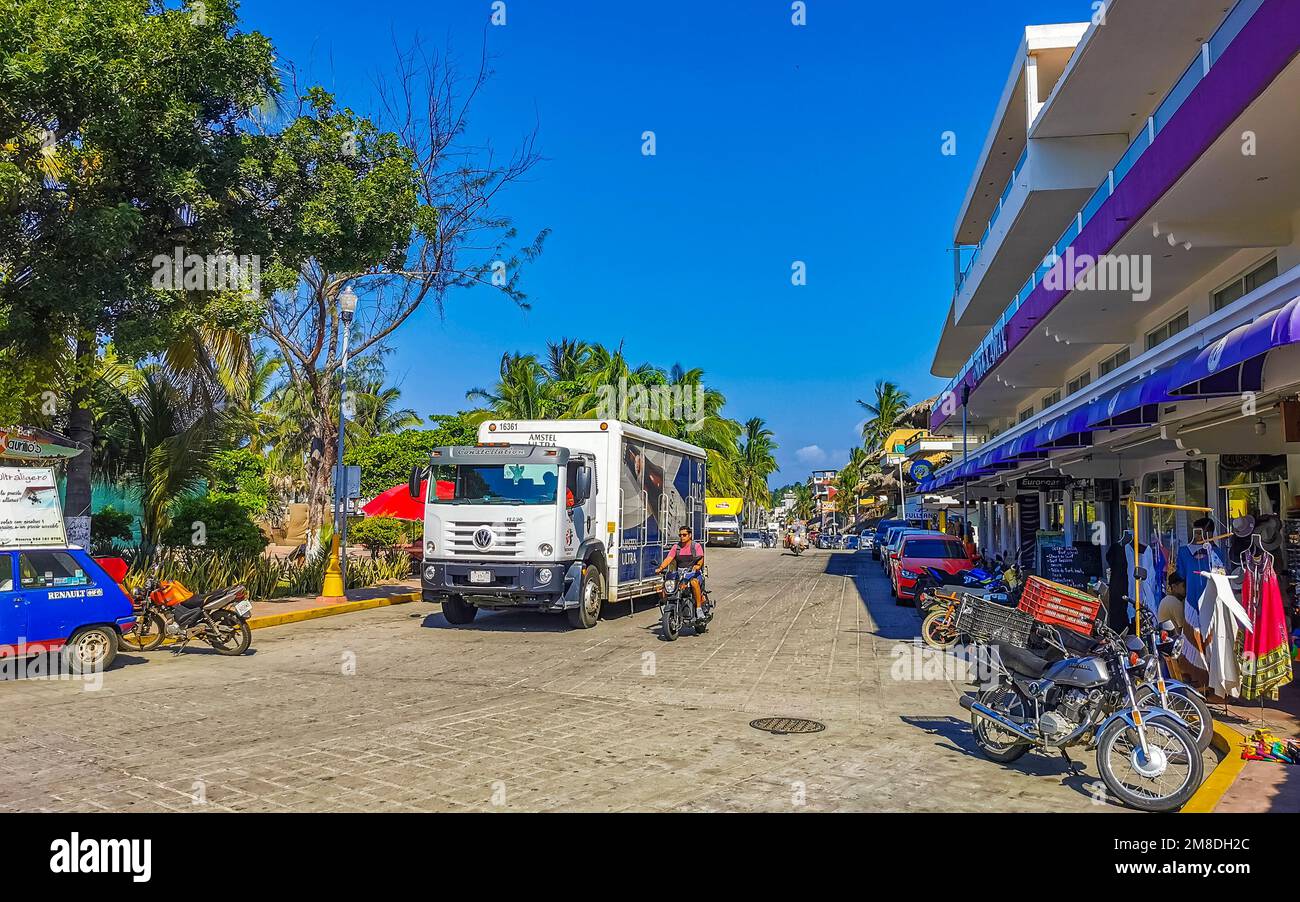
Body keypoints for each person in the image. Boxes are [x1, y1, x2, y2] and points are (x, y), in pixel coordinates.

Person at [656, 527, 708, 616]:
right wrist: (660, 568)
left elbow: (700, 558)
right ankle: (668, 606)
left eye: (684, 535)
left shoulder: (696, 546)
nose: (682, 537)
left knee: (694, 583)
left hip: (693, 573)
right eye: (680, 535)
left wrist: (697, 566)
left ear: (690, 535)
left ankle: (699, 608)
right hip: (680, 574)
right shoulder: (676, 547)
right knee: (664, 587)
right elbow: (669, 558)